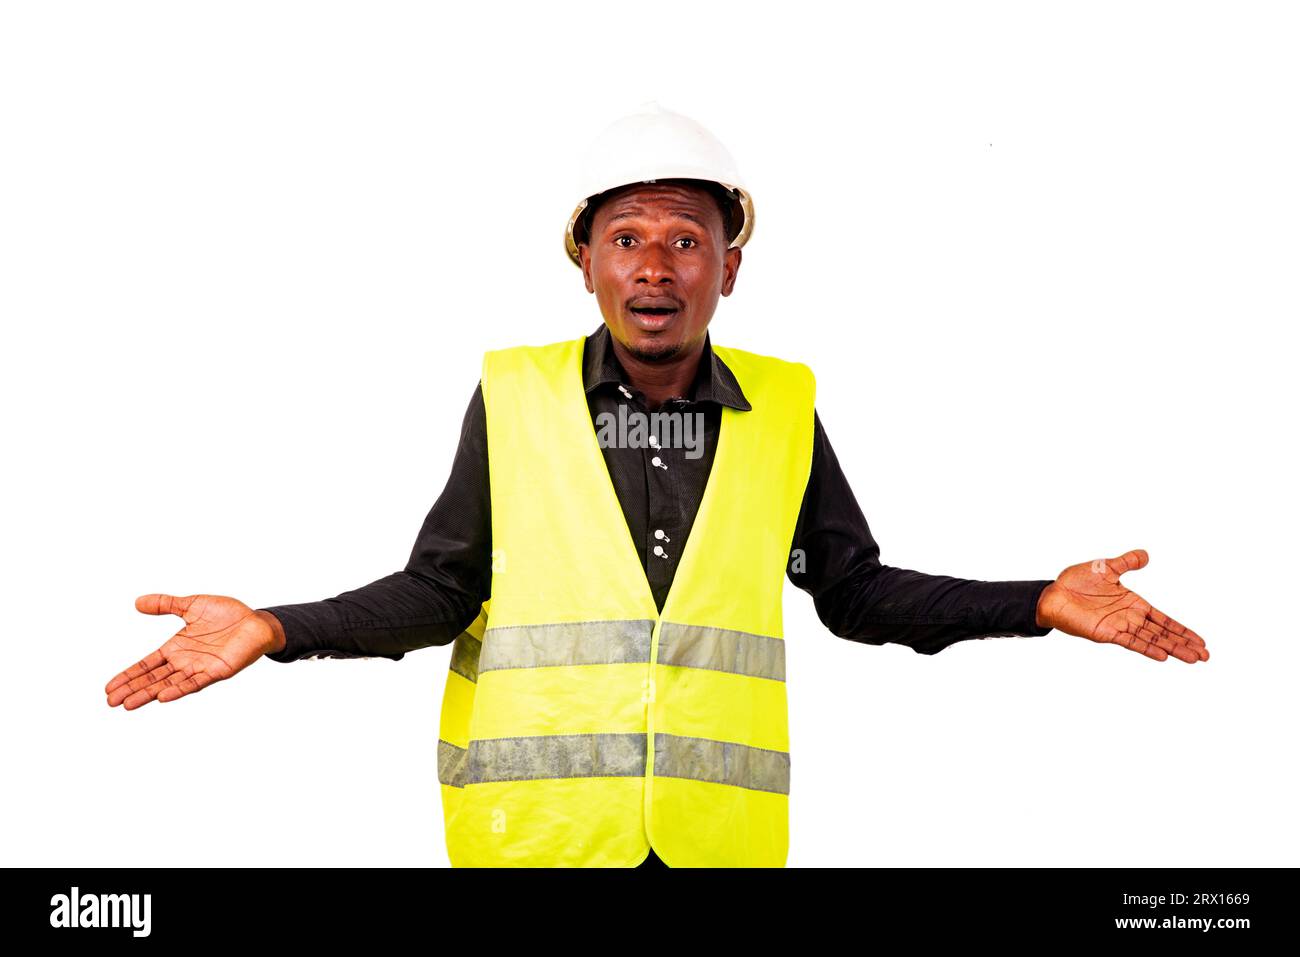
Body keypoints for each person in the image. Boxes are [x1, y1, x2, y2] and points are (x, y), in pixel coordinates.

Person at [106, 102, 1209, 868]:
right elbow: (438, 594)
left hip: (714, 848)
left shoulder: (779, 409)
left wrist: (1039, 604)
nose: (654, 263)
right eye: (625, 236)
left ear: (729, 266)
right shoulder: (515, 396)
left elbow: (857, 595)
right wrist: (272, 627)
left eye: (687, 239)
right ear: (582, 256)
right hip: (533, 844)